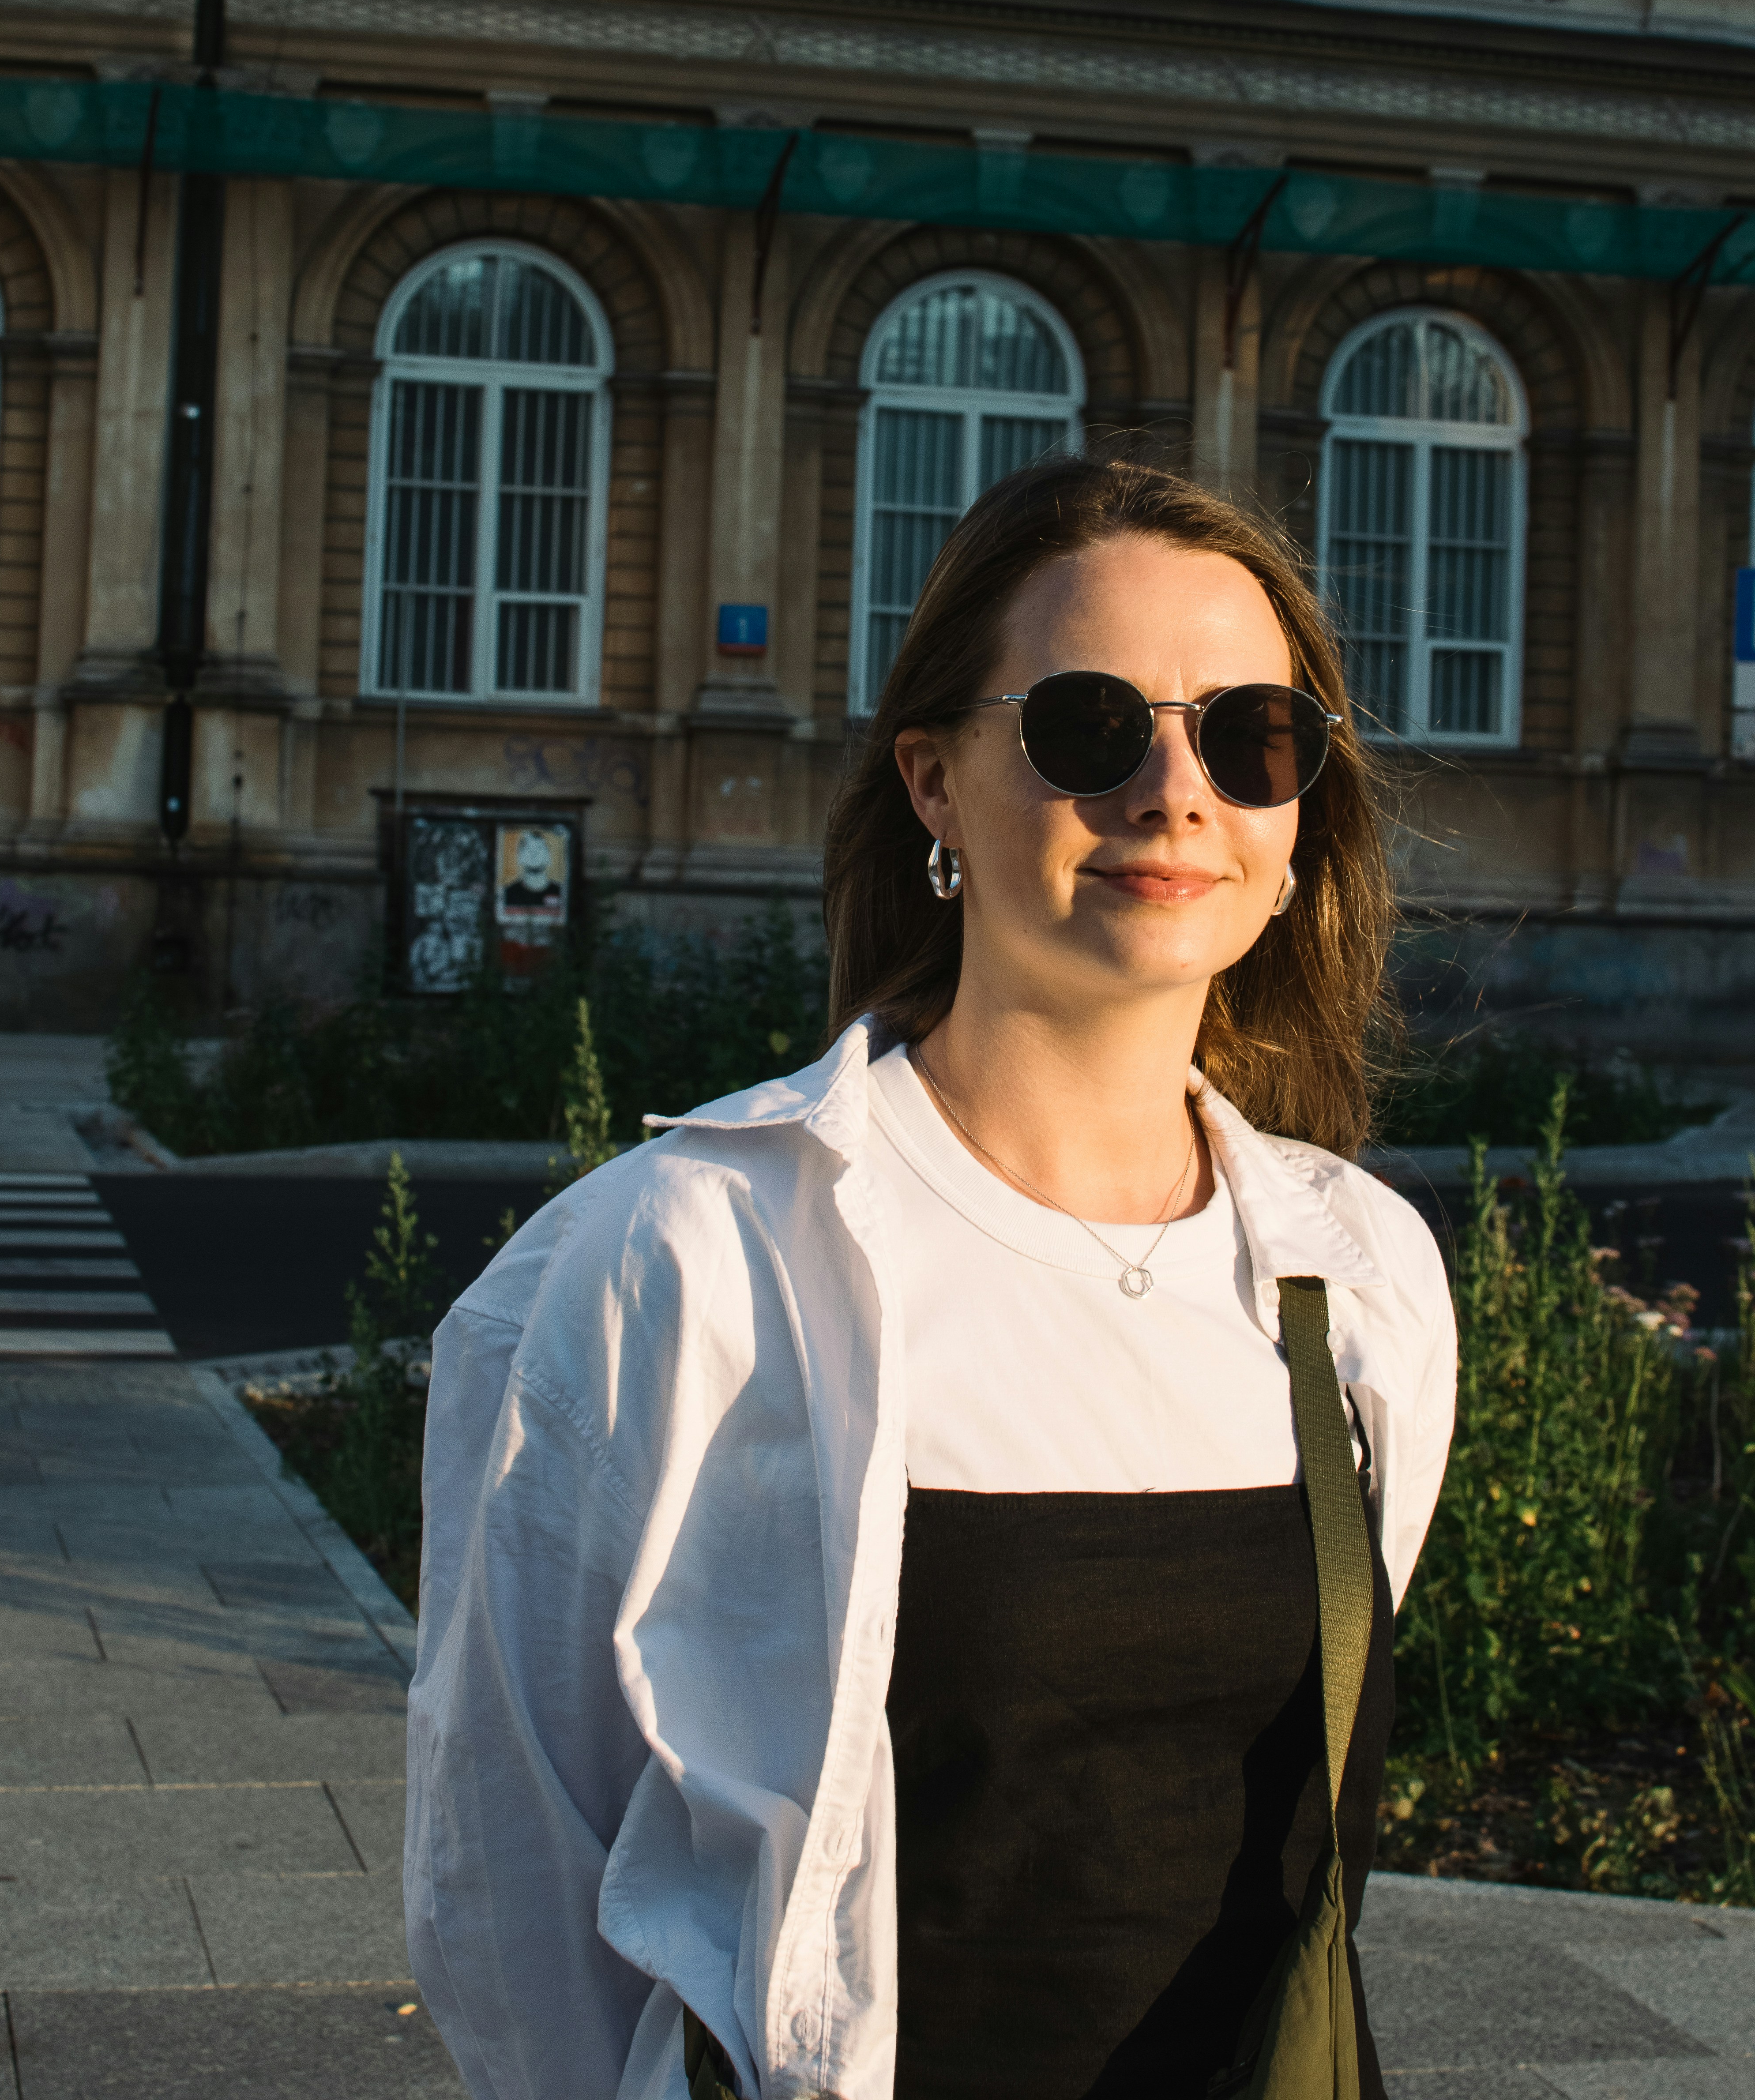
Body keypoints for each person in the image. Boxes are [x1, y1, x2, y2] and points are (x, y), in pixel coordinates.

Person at [405, 454, 1457, 2100]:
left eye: (1252, 736)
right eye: (1091, 725)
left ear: (1299, 813)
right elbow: (513, 1877)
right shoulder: (687, 1261)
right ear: (934, 782)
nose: (1176, 794)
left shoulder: (1357, 1275)